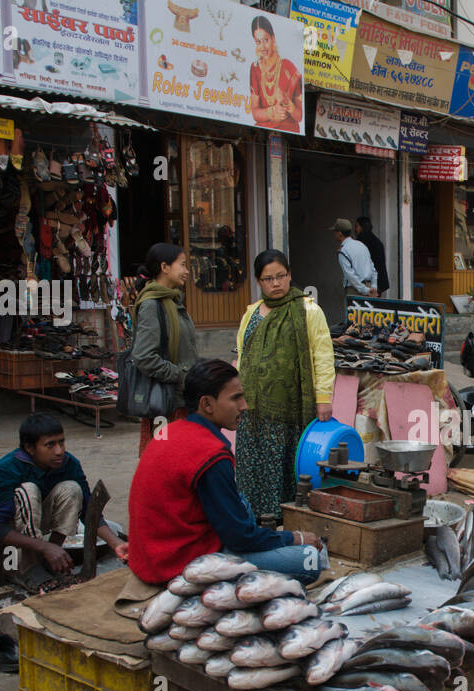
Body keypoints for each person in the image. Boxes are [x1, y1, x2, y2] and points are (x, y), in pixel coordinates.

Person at [127, 359, 325, 586]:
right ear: (207, 404)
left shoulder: (169, 430)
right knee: (310, 561)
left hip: (148, 555)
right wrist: (295, 538)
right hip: (179, 564)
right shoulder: (210, 454)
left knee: (242, 504)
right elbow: (241, 538)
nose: (244, 406)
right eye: (235, 398)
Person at [235, 250, 336, 519]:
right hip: (252, 410)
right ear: (259, 282)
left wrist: (323, 398)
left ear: (290, 275)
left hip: (288, 411)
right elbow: (242, 355)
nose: (276, 283)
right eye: (268, 279)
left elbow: (323, 356)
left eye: (281, 276)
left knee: (283, 463)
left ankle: (284, 517)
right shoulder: (251, 313)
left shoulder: (308, 310)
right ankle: (251, 517)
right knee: (251, 466)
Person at [0, 413, 126, 574]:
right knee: (28, 490)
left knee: (72, 488)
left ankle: (50, 558)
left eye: (61, 442)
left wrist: (116, 543)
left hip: (33, 519)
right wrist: (45, 546)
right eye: (50, 445)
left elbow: (89, 512)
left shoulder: (69, 463)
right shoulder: (8, 468)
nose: (59, 451)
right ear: (30, 448)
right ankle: (31, 567)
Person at [132, 243, 198, 455]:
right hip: (163, 403)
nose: (187, 271)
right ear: (165, 267)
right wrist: (179, 374)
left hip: (180, 398)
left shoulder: (173, 300)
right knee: (163, 459)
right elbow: (144, 357)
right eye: (183, 265)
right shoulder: (153, 305)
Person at [249, 16, 302, 132]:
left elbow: (299, 116)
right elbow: (255, 112)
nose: (263, 47)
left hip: (288, 133)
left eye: (266, 40)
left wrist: (289, 105)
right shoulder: (255, 68)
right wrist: (271, 112)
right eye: (258, 42)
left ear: (272, 38)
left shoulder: (288, 67)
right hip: (262, 133)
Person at [332, 218, 376, 297]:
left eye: (335, 232)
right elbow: (372, 269)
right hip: (369, 288)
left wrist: (364, 290)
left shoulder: (343, 250)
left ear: (340, 233)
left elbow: (350, 275)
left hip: (354, 290)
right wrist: (373, 287)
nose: (334, 234)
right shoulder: (361, 245)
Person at [354, 216, 389, 296]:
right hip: (379, 282)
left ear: (361, 227)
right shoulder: (375, 240)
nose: (355, 230)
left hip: (370, 283)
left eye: (356, 226)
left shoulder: (362, 242)